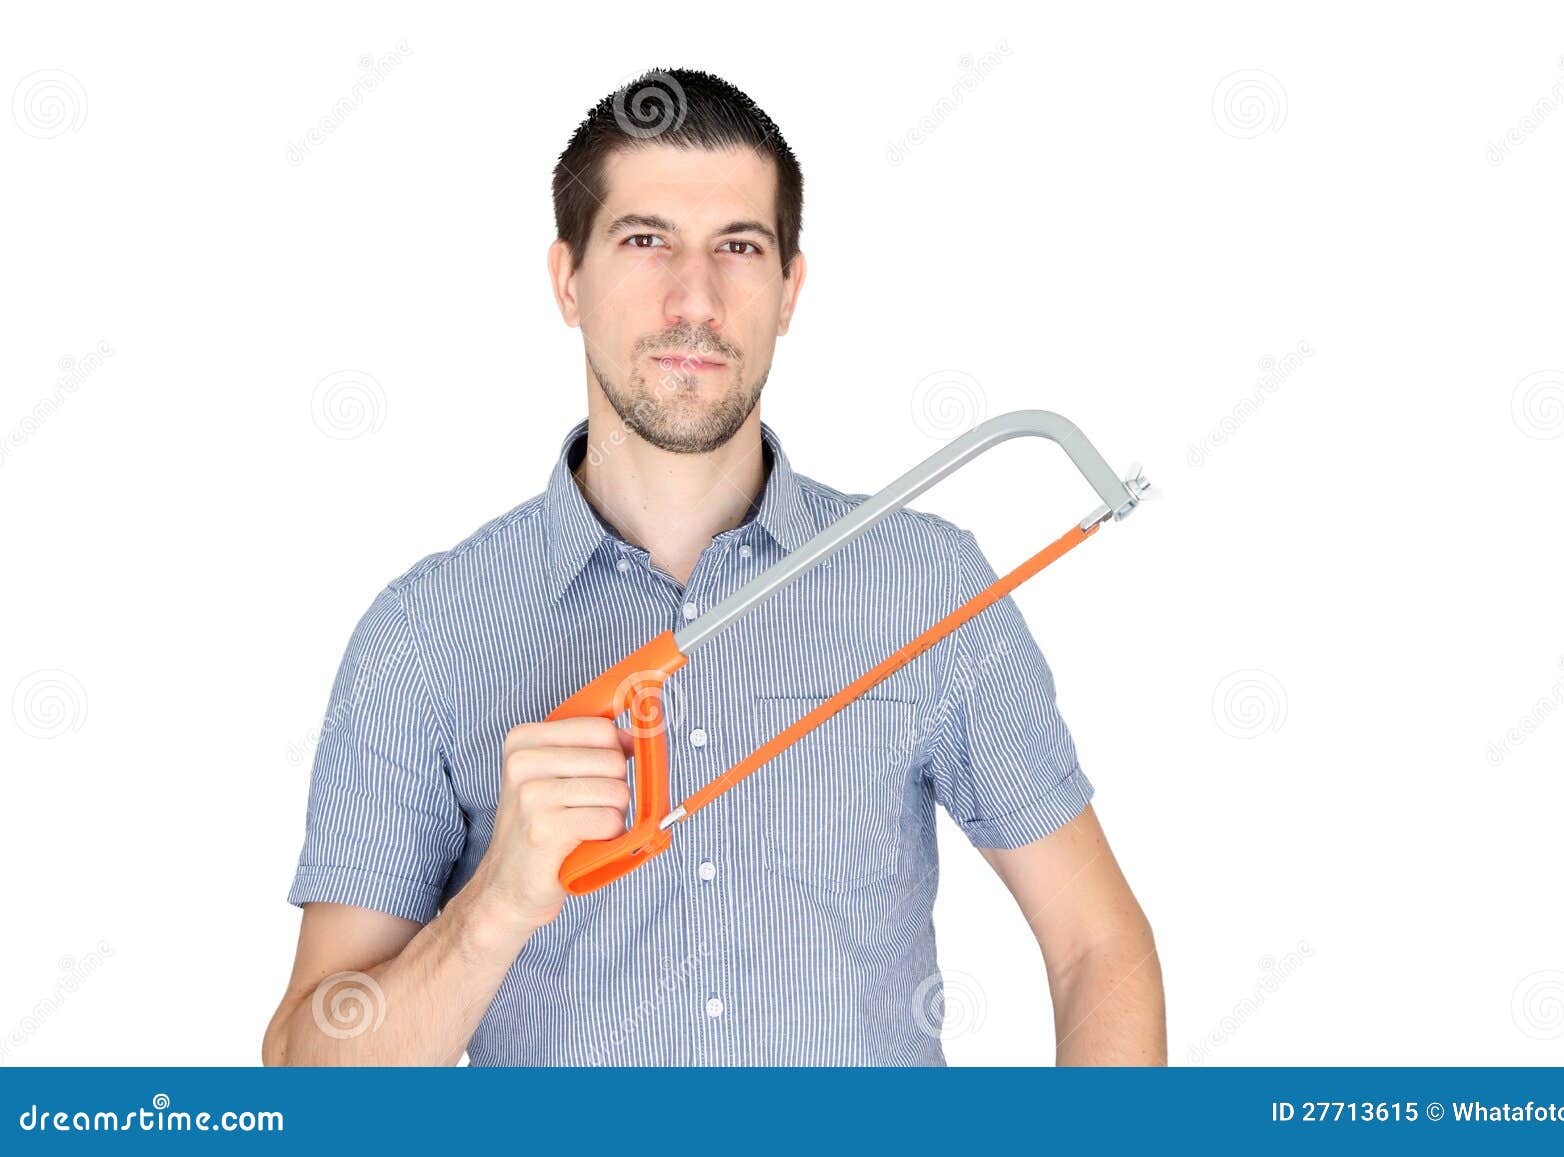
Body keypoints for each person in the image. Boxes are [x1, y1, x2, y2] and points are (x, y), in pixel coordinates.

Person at [262, 67, 1165, 1066]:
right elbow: (315, 1078)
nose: (694, 299)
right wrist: (495, 906)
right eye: (644, 240)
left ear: (789, 290)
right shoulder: (424, 635)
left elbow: (1097, 948)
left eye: (738, 246)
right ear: (567, 280)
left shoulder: (927, 586)